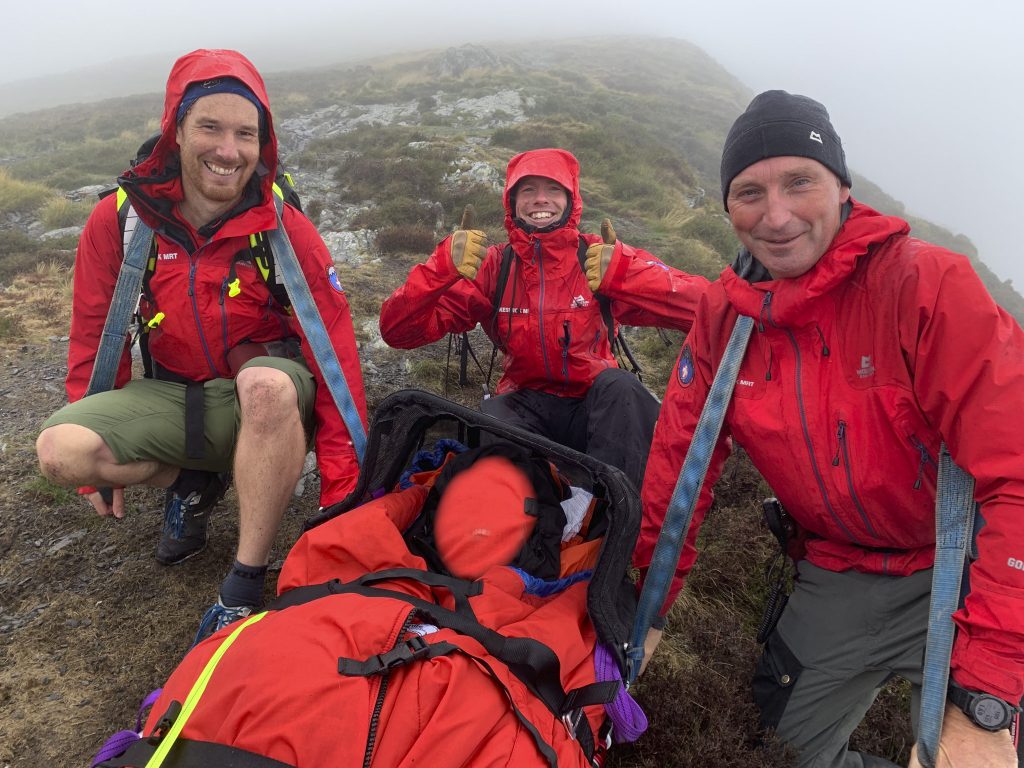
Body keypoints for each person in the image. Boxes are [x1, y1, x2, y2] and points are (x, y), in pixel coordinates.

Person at [635, 90, 1024, 768]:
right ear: (728, 207)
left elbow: (1017, 474)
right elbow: (680, 469)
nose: (776, 215)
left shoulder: (926, 287)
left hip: (966, 568)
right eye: (749, 192)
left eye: (799, 182)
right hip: (837, 570)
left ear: (842, 187)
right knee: (767, 757)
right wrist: (645, 614)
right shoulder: (727, 321)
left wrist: (985, 700)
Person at [35, 49, 368, 642]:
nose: (227, 150)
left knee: (264, 385)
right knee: (62, 449)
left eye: (245, 133)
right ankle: (193, 484)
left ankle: (244, 578)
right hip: (179, 397)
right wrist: (97, 470)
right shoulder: (122, 220)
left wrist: (343, 484)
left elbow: (334, 352)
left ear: (262, 143)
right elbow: (95, 331)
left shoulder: (282, 226)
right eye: (209, 127)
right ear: (177, 131)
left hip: (272, 404)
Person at [379, 148, 708, 489]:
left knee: (624, 387)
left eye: (553, 189)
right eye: (528, 190)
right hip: (524, 404)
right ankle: (539, 517)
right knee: (495, 417)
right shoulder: (495, 266)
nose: (541, 200)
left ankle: (616, 514)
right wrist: (440, 269)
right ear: (512, 201)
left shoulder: (598, 258)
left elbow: (706, 310)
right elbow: (397, 331)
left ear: (571, 199)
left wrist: (627, 276)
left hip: (594, 403)